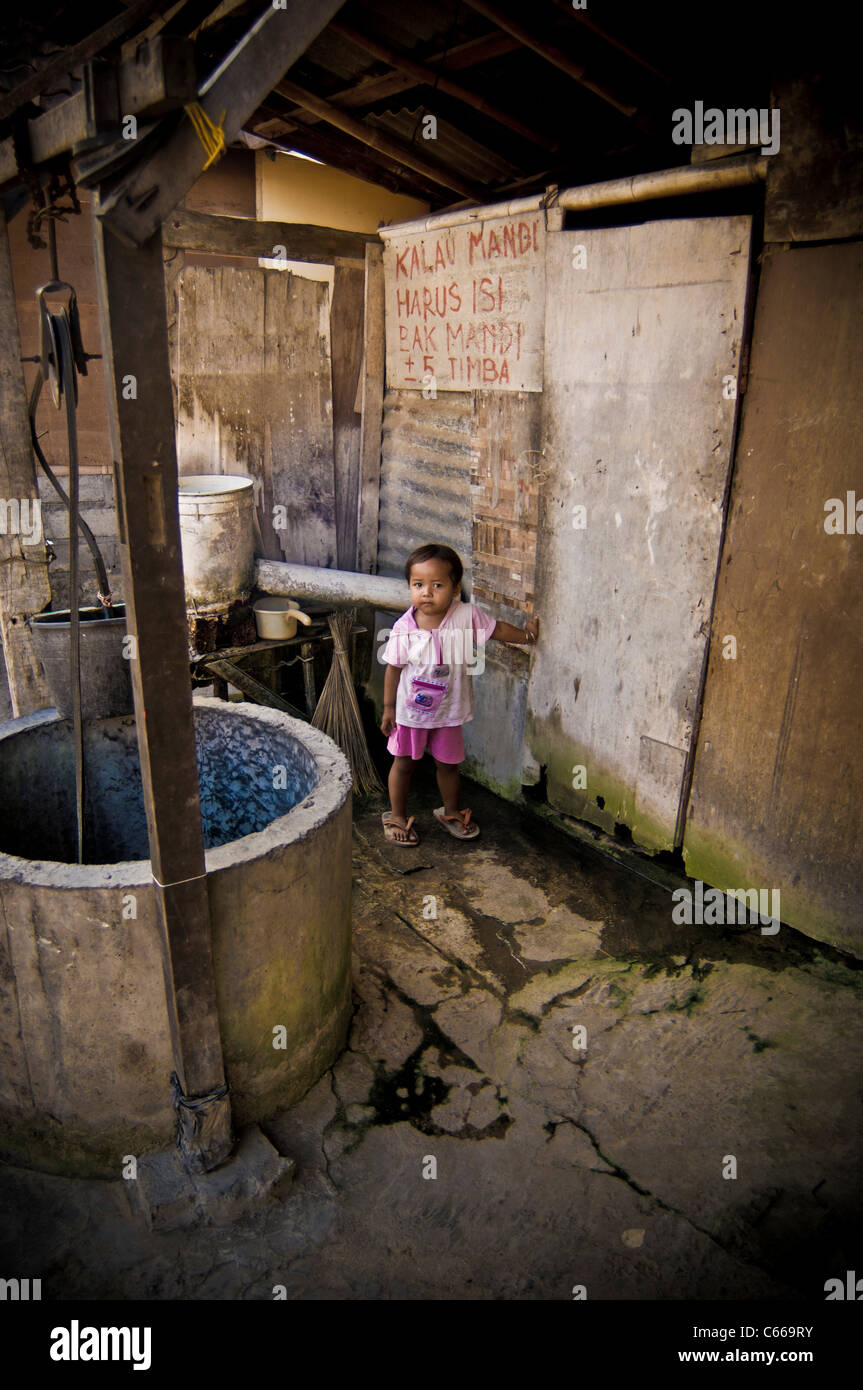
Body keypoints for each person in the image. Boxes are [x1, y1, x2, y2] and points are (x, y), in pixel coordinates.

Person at [379, 543, 539, 845]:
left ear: (455, 588)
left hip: (448, 712)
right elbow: (393, 669)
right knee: (403, 763)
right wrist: (388, 708)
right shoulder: (404, 628)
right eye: (418, 585)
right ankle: (397, 815)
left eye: (437, 585)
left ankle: (450, 811)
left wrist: (527, 636)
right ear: (410, 587)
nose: (427, 592)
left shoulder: (467, 616)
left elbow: (498, 630)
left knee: (448, 765)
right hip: (411, 713)